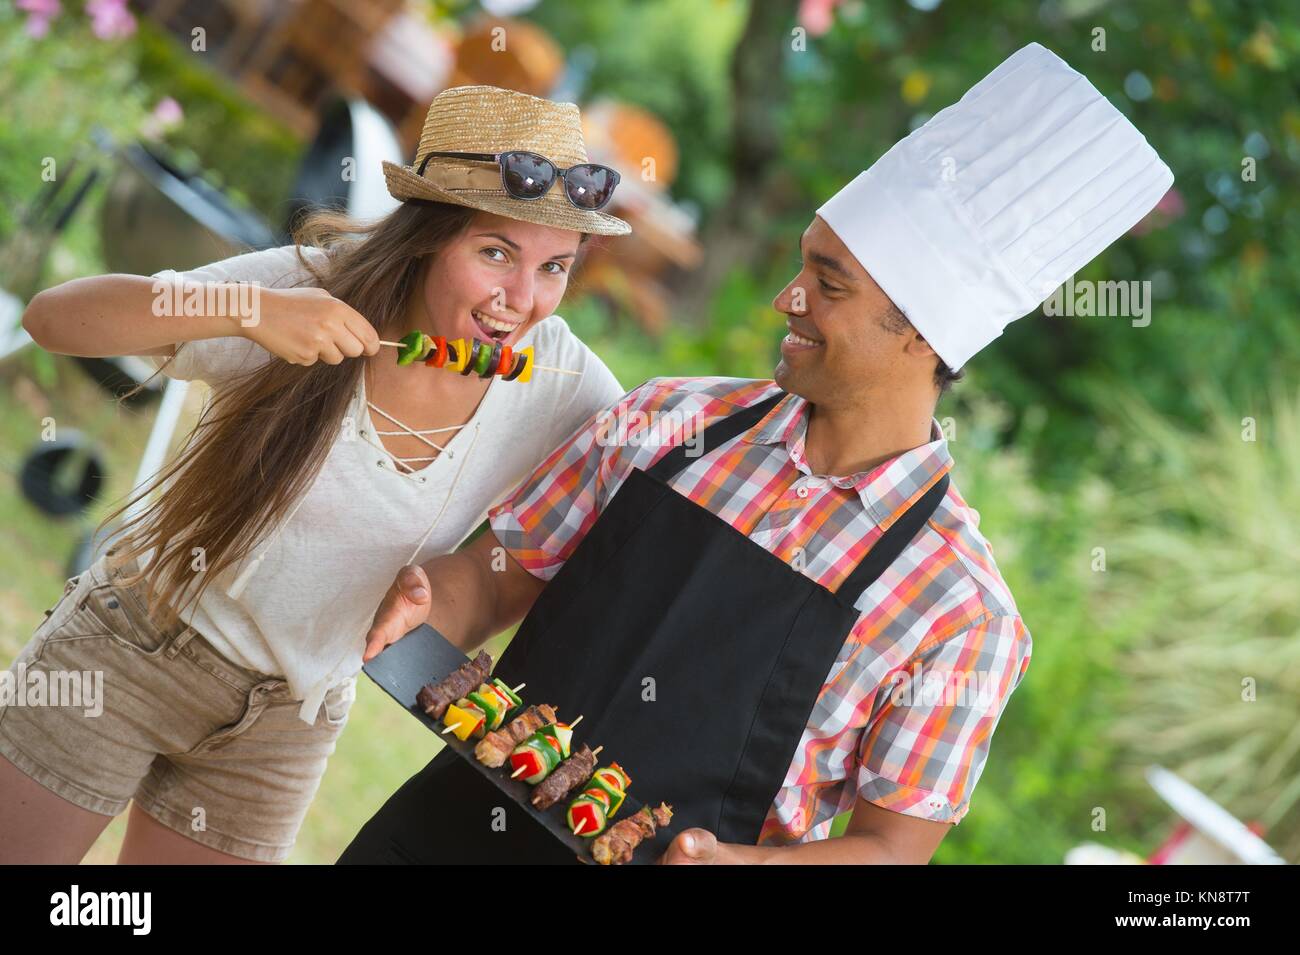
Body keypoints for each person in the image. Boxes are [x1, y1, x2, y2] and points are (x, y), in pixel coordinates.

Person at [341, 43, 1173, 865]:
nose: (789, 297)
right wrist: (427, 600)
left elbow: (889, 849)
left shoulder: (962, 616)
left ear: (924, 333)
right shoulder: (665, 421)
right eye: (802, 265)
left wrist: (749, 864)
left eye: (830, 283)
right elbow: (488, 582)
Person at [0, 85, 631, 864]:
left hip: (288, 722)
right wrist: (245, 309)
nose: (521, 301)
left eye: (555, 267)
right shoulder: (312, 286)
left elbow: (671, 463)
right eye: (495, 252)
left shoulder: (564, 382)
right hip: (137, 645)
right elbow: (55, 317)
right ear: (432, 235)